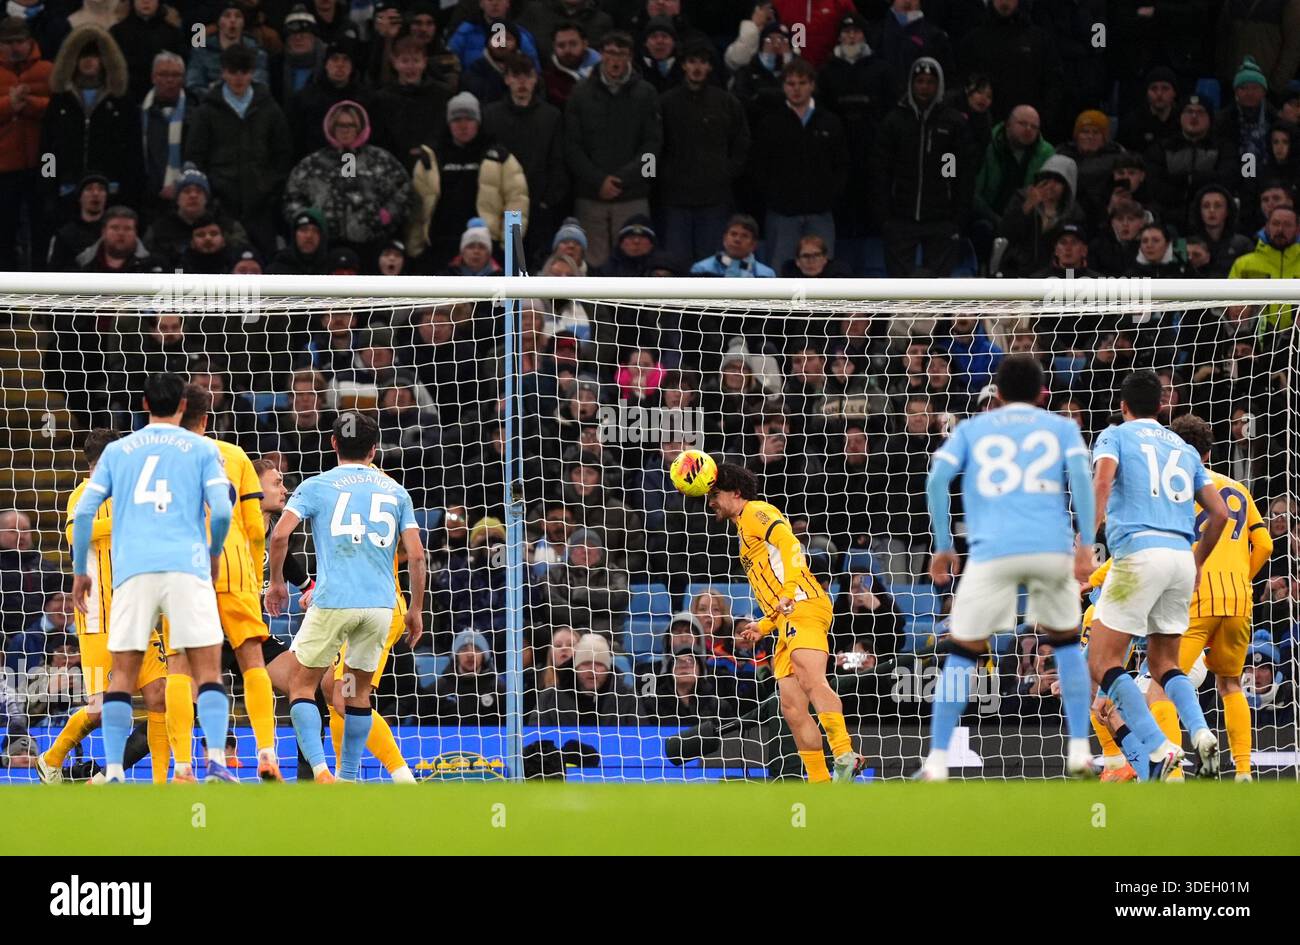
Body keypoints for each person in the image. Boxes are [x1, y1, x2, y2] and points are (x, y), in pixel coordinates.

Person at [919, 354, 1097, 780]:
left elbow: (936, 480)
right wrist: (1086, 545)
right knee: (1068, 644)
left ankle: (938, 761)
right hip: (1050, 548)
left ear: (996, 393)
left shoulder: (974, 428)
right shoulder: (1061, 427)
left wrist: (944, 546)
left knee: (963, 652)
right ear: (1041, 394)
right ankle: (1078, 751)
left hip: (991, 550)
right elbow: (1083, 481)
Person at [69, 373, 235, 784]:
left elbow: (86, 513)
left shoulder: (119, 451)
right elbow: (224, 508)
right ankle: (214, 762)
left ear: (144, 404)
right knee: (206, 670)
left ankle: (111, 770)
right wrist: (214, 554)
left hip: (134, 572)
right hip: (186, 568)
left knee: (122, 675)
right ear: (183, 406)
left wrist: (78, 572)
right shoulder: (202, 448)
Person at [266, 412, 426, 782]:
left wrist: (277, 582)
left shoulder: (316, 485)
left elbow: (279, 537)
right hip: (380, 608)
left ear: (333, 443)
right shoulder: (395, 490)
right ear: (374, 450)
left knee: (302, 684)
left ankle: (322, 771)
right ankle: (350, 776)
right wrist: (416, 609)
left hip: (334, 601)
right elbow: (417, 555)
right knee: (353, 693)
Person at [1087, 371, 1231, 781]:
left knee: (1102, 661)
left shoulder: (1115, 435)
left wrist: (1083, 543)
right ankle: (1201, 732)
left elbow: (1102, 480)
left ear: (1123, 405)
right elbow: (1219, 514)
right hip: (1181, 560)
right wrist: (1200, 561)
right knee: (1166, 662)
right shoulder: (1184, 449)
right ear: (1162, 406)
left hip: (1137, 556)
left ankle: (1160, 747)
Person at [1135, 414, 1274, 782]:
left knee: (1161, 682)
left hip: (1193, 596)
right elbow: (1265, 543)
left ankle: (1174, 771)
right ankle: (1243, 771)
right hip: (1239, 600)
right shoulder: (1237, 488)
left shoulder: (1172, 488)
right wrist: (1242, 577)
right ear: (1210, 453)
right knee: (1230, 682)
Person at [708, 462, 862, 783]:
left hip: (804, 604)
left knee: (810, 677)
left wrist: (791, 590)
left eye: (716, 494)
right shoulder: (741, 530)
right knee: (791, 709)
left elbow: (791, 544)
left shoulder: (756, 511)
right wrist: (763, 626)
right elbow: (771, 584)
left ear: (736, 493)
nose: (711, 502)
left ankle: (845, 752)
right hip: (784, 620)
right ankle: (822, 782)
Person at [36, 430, 170, 784]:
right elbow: (72, 535)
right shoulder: (84, 494)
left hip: (138, 612)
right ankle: (51, 758)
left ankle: (162, 786)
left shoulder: (131, 495)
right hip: (98, 617)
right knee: (102, 709)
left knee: (161, 696)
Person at [563, 29, 661, 269]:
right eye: (610, 53)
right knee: (591, 264)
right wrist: (598, 181)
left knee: (635, 261)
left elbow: (652, 146)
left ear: (630, 57)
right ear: (600, 55)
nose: (615, 59)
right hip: (590, 195)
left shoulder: (646, 93)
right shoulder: (581, 92)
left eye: (622, 53)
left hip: (632, 195)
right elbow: (571, 145)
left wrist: (622, 179)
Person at [690, 213, 773, 277]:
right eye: (733, 234)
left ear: (753, 244)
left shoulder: (766, 275)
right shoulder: (701, 269)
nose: (737, 239)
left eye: (744, 236)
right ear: (725, 238)